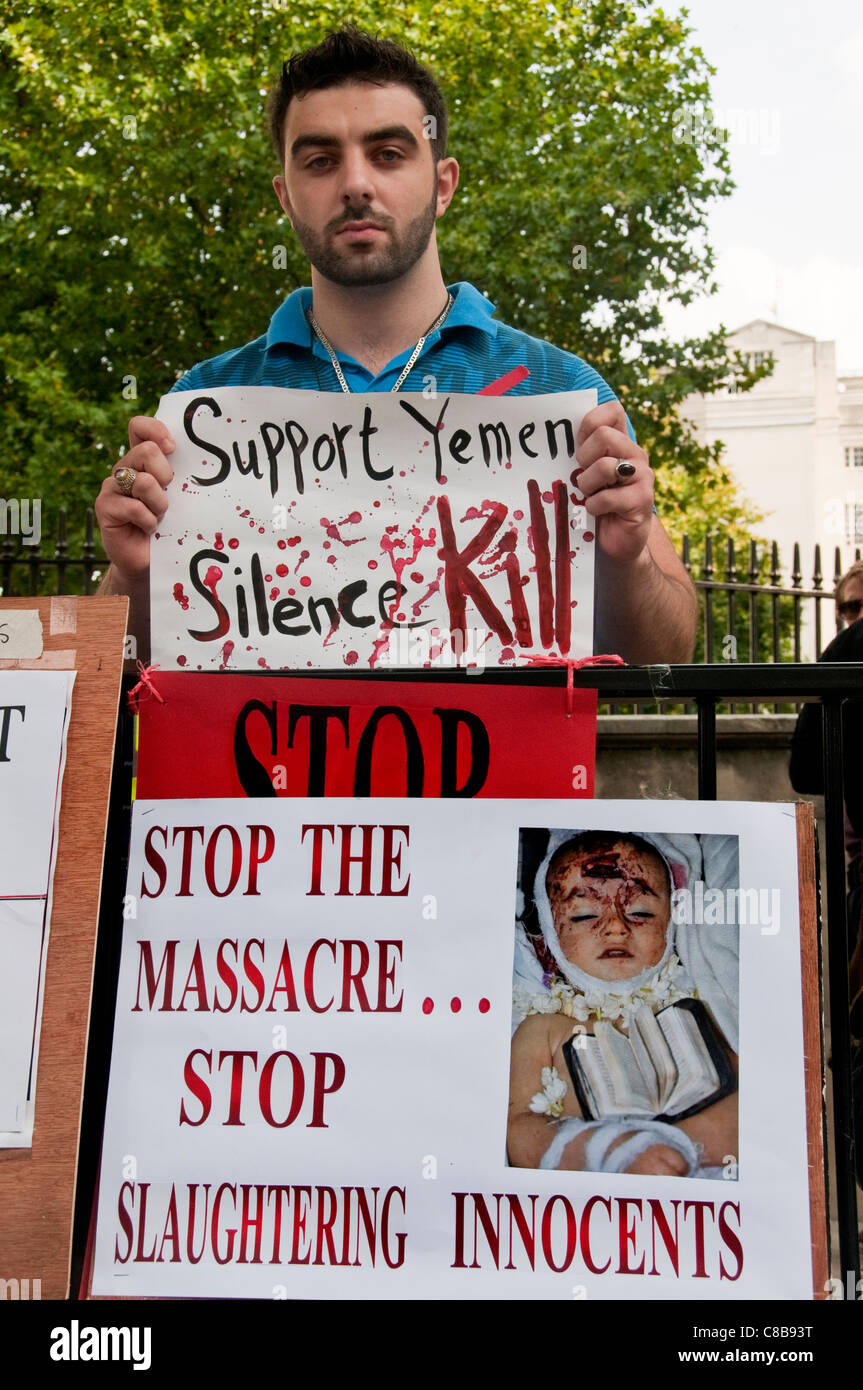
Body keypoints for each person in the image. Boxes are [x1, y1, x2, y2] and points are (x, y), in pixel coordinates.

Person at [94, 26, 697, 667]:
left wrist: (627, 555)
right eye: (320, 160)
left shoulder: (557, 393)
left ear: (442, 184)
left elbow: (668, 659)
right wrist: (132, 575)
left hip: (504, 770)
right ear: (285, 196)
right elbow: (128, 676)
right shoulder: (205, 409)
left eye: (387, 152)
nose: (355, 183)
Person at [508, 831, 739, 1177]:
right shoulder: (544, 1029)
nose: (616, 927)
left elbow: (753, 1102)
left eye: (640, 911)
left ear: (672, 920)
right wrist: (609, 1151)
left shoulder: (697, 1009)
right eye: (584, 915)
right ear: (551, 932)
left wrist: (673, 1146)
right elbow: (520, 1127)